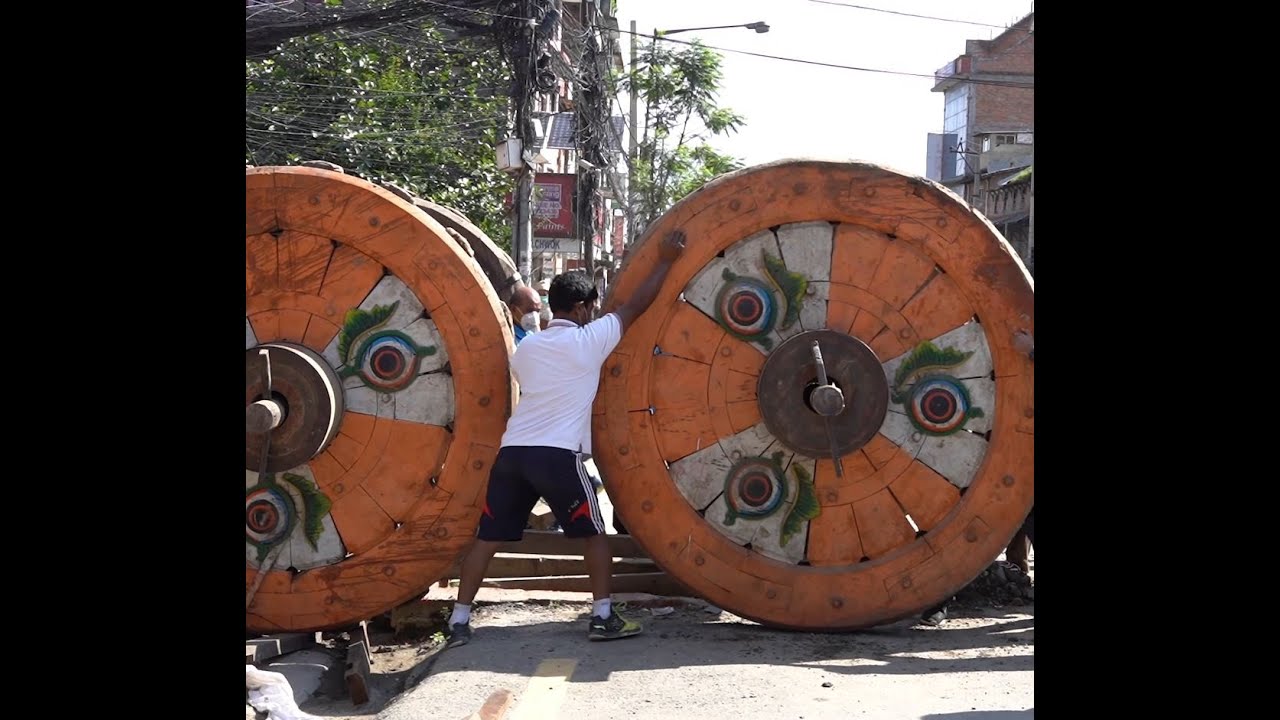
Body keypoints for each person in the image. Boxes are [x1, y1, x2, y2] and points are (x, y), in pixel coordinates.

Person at [445, 229, 688, 647]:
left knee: (487, 538)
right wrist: (666, 259)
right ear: (579, 308)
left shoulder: (527, 349)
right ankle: (603, 616)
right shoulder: (589, 341)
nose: (594, 313)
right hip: (557, 456)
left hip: (513, 454)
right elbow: (636, 306)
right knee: (594, 535)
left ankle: (458, 620)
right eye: (591, 307)